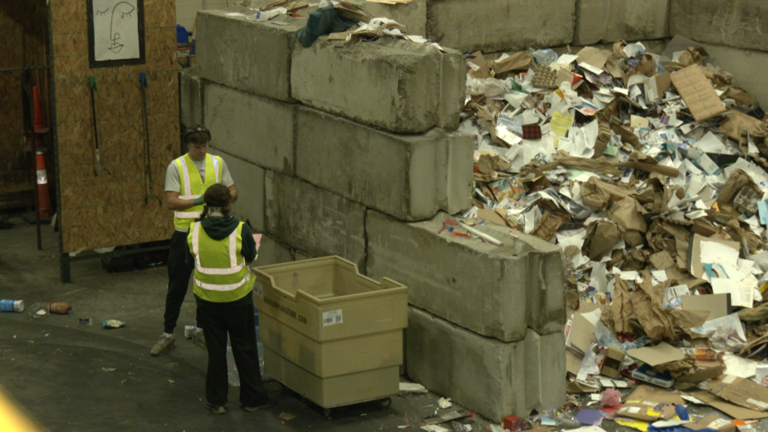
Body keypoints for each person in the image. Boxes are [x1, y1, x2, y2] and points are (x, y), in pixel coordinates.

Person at [186, 184, 273, 414]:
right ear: (228, 206)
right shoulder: (241, 229)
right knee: (244, 348)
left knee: (215, 352)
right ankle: (253, 399)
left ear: (207, 205)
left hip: (208, 302)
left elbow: (189, 263)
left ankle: (217, 401)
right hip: (238, 300)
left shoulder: (194, 231)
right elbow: (251, 256)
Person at [151, 125, 238, 356]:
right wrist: (201, 201)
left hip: (208, 231)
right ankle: (168, 333)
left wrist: (220, 199)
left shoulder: (218, 163)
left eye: (205, 146)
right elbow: (171, 201)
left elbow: (233, 191)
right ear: (188, 145)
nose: (202, 151)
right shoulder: (176, 166)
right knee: (177, 285)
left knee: (204, 283)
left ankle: (201, 330)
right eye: (197, 147)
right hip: (185, 234)